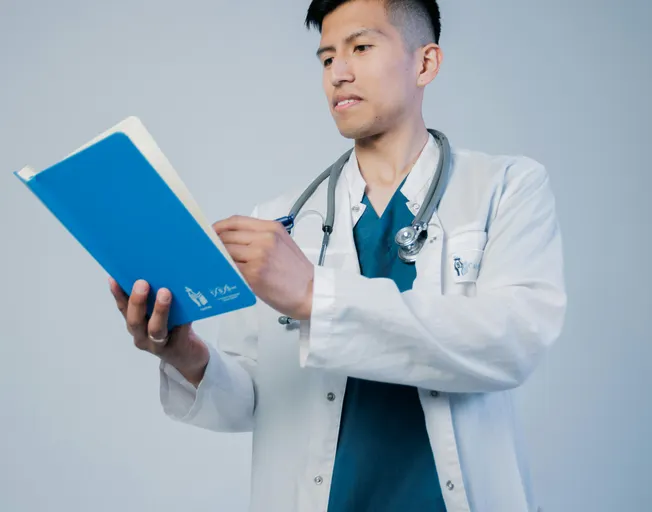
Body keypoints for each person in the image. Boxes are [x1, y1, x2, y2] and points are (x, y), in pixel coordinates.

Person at [108, 0, 566, 511]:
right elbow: (252, 401)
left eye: (361, 48)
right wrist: (184, 353)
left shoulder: (505, 188)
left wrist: (313, 296)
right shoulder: (279, 223)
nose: (339, 74)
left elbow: (512, 342)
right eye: (326, 59)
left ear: (426, 63)